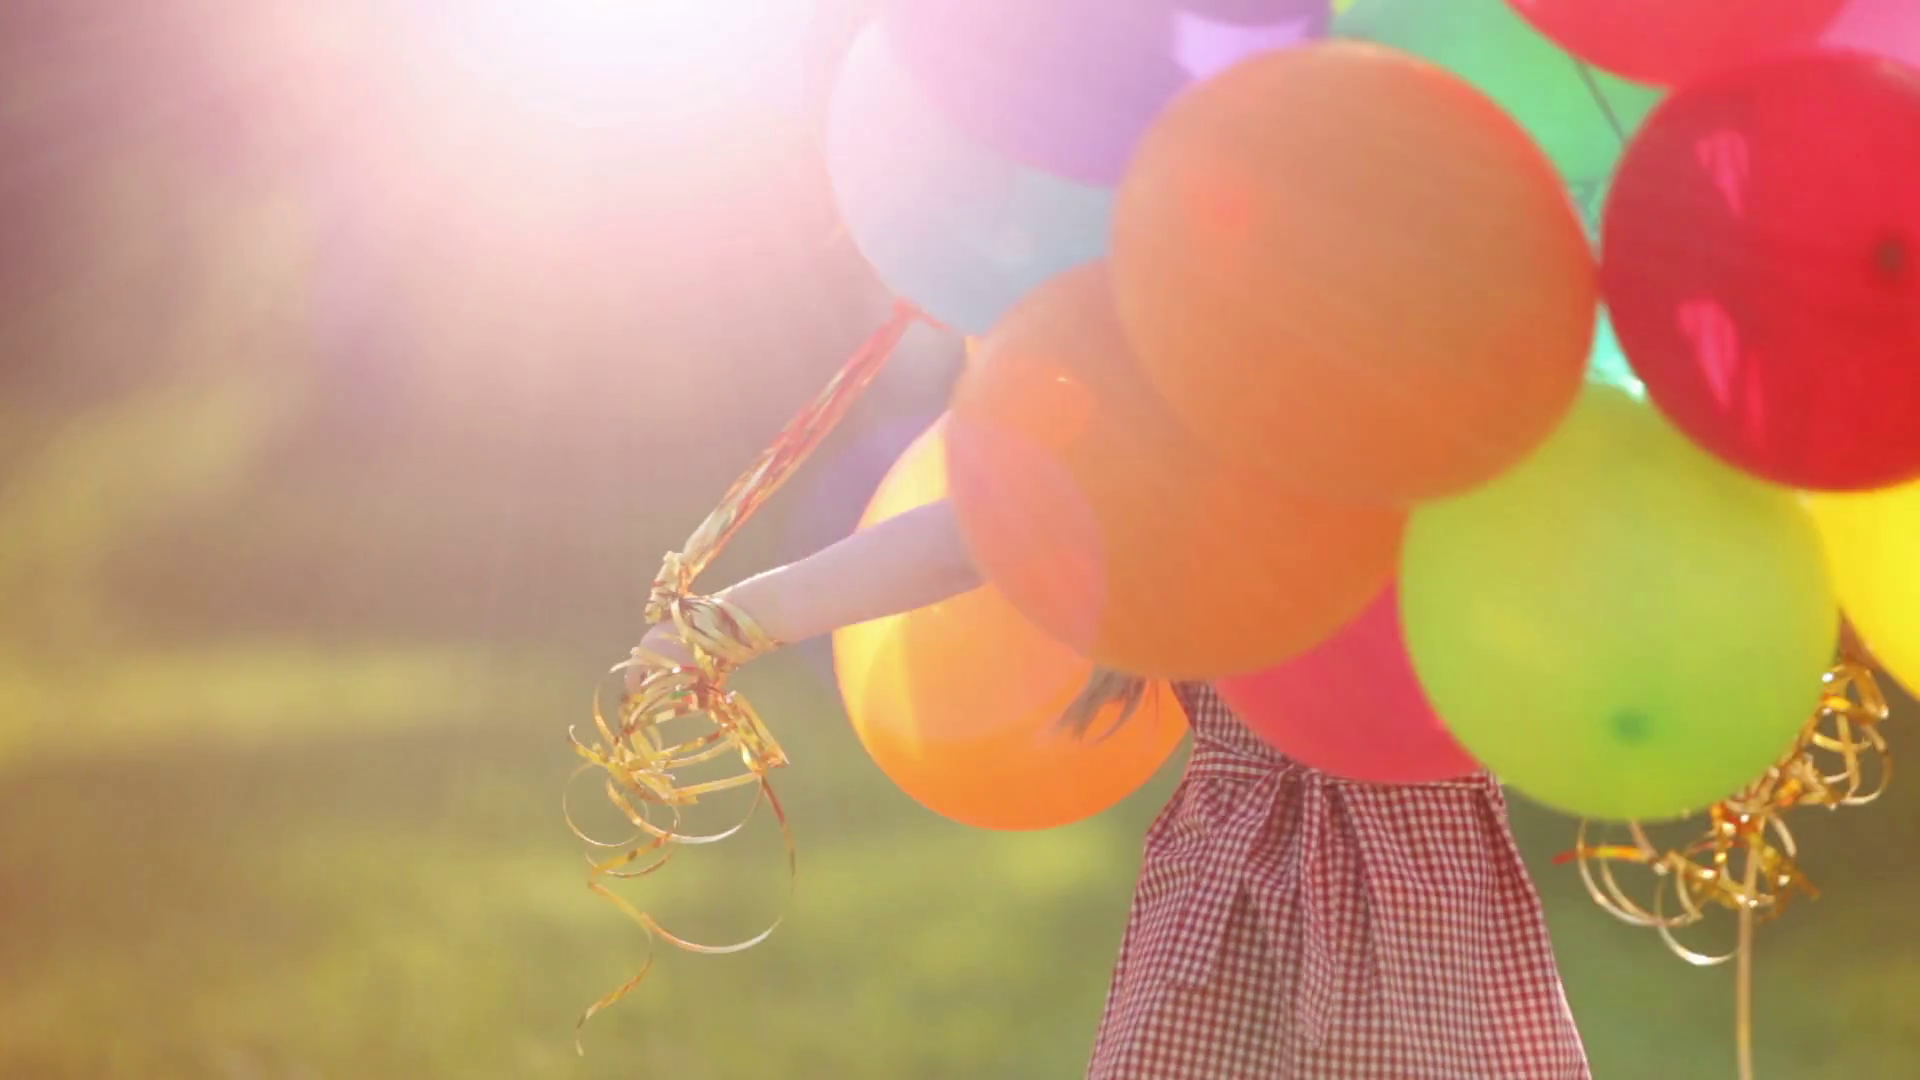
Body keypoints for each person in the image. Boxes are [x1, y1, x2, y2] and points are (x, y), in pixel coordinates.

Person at [634, 498, 1591, 1079]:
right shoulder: (1191, 443)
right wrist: (730, 623)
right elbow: (975, 533)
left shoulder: (1473, 433)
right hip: (1238, 885)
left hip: (1429, 894)